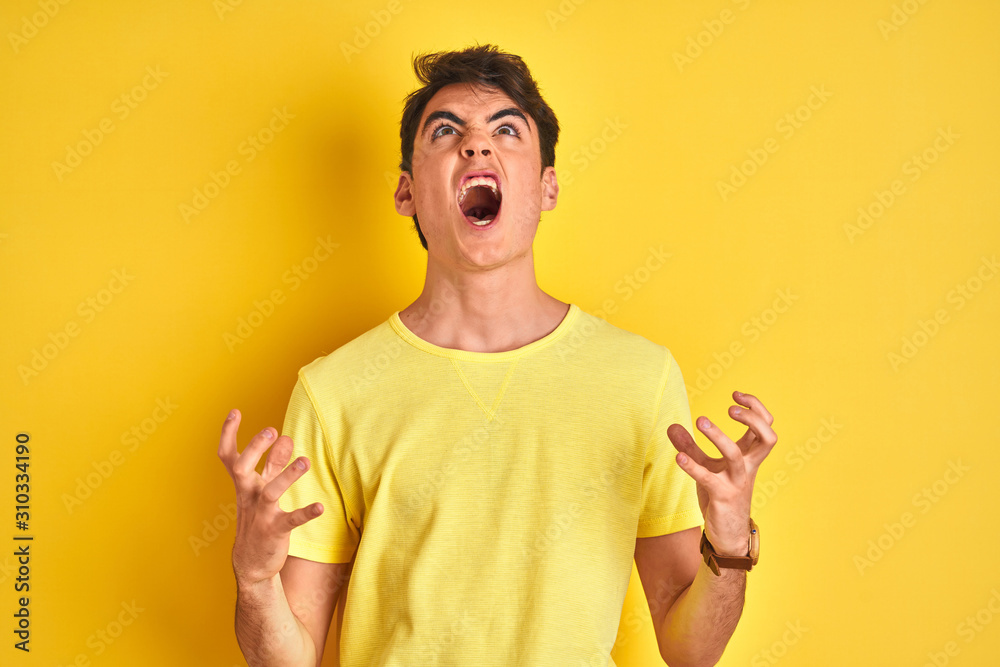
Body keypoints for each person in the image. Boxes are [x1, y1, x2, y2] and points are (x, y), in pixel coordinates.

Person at [217, 44, 777, 667]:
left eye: (506, 130)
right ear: (406, 192)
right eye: (446, 131)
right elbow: (286, 659)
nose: (476, 146)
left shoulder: (640, 378)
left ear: (547, 188)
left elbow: (690, 651)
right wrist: (254, 578)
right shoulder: (334, 390)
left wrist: (729, 544)